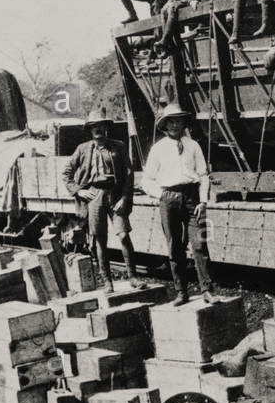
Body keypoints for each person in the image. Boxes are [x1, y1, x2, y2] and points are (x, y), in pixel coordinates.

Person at [141, 102, 214, 305]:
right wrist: (161, 194)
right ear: (164, 125)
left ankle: (207, 290)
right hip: (169, 200)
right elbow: (146, 180)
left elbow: (203, 175)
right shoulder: (158, 149)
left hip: (192, 199)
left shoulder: (193, 145)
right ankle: (181, 292)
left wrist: (203, 201)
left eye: (178, 121)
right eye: (170, 122)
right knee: (174, 248)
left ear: (184, 123)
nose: (174, 125)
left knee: (199, 244)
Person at [63, 109, 138, 293]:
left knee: (123, 235)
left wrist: (125, 197)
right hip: (94, 195)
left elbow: (129, 175)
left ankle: (133, 277)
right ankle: (107, 282)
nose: (99, 130)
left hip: (115, 194)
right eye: (95, 127)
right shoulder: (83, 149)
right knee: (99, 240)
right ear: (90, 130)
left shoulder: (118, 146)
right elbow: (66, 174)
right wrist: (79, 191)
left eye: (101, 126)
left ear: (106, 128)